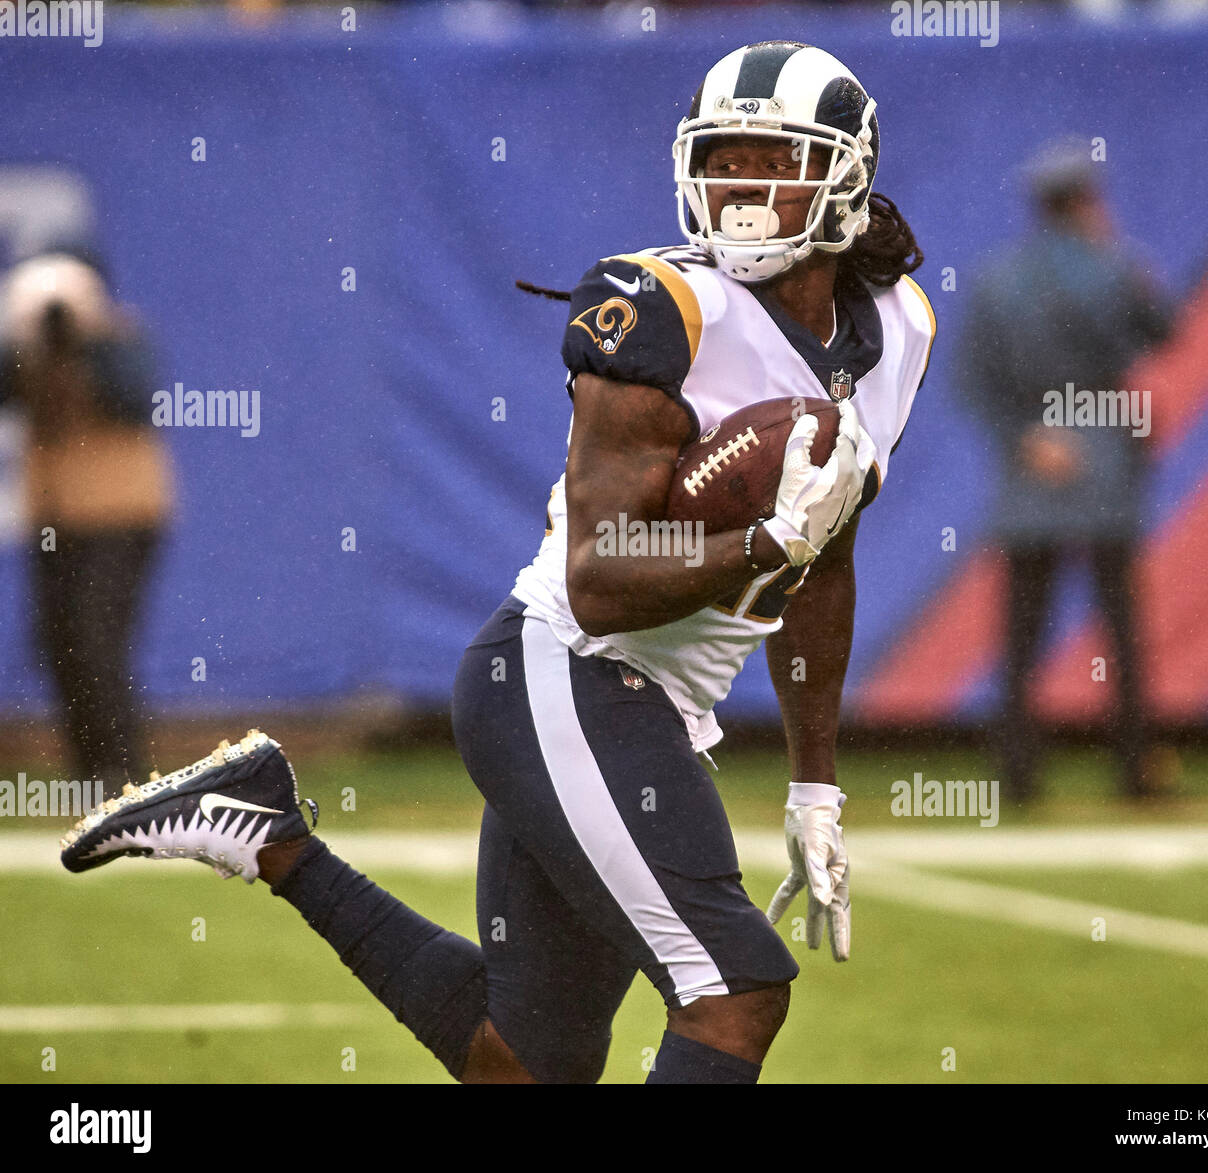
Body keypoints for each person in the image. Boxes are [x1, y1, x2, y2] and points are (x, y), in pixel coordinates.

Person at [60, 41, 934, 1084]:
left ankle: (271, 836)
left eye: (769, 160)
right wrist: (761, 542)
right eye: (722, 159)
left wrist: (814, 789)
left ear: (844, 176)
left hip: (645, 702)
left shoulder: (897, 326)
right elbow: (599, 583)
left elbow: (821, 564)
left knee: (522, 1064)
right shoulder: (663, 309)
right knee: (734, 993)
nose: (739, 188)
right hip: (564, 675)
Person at [961, 138, 1175, 801]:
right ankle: (1135, 769)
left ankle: (1018, 771)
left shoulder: (997, 278)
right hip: (1105, 455)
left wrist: (1025, 437)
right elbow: (1162, 330)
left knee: (1023, 628)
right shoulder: (1115, 267)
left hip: (1033, 459)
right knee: (1122, 627)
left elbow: (974, 380)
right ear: (1085, 200)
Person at [0, 249, 170, 792]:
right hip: (54, 519)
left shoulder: (120, 340)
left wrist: (87, 338)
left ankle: (121, 770)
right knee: (56, 640)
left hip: (119, 518)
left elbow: (134, 398)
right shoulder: (27, 355)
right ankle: (88, 777)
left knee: (99, 640)